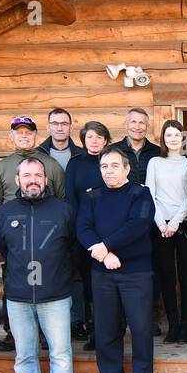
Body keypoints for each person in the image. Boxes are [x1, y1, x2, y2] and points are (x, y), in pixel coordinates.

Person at [0, 157, 75, 373]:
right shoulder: (6, 212)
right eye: (27, 176)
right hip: (18, 296)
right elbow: (3, 246)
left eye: (38, 175)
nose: (33, 181)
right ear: (17, 180)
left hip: (55, 294)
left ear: (46, 180)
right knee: (25, 354)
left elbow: (73, 250)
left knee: (60, 354)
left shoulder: (63, 210)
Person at [78, 149, 156, 373]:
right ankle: (111, 372)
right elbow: (83, 227)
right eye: (104, 166)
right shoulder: (92, 196)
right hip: (102, 271)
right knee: (106, 325)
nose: (108, 171)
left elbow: (138, 224)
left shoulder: (140, 193)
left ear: (126, 169)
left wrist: (106, 246)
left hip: (136, 271)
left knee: (140, 324)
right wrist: (104, 255)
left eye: (114, 166)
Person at [146, 119, 187, 344]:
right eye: (169, 135)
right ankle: (173, 325)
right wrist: (161, 224)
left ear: (183, 138)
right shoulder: (155, 162)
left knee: (186, 276)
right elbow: (150, 194)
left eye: (177, 135)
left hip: (183, 224)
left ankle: (185, 325)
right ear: (163, 139)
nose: (173, 139)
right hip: (160, 225)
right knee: (167, 276)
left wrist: (175, 222)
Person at [65, 121, 111, 349]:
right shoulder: (75, 164)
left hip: (108, 233)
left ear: (106, 140)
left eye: (99, 137)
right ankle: (91, 330)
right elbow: (70, 199)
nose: (94, 141)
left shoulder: (111, 162)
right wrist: (79, 230)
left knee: (106, 283)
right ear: (83, 140)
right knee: (86, 284)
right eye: (90, 137)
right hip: (82, 234)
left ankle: (109, 331)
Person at [0, 117, 65, 221]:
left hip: (46, 225)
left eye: (29, 132)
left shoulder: (52, 165)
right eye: (19, 132)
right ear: (11, 135)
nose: (24, 135)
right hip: (12, 226)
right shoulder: (1, 167)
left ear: (36, 135)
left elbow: (62, 202)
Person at [111, 107, 162, 187]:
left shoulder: (158, 152)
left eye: (141, 123)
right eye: (133, 122)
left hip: (148, 195)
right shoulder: (113, 151)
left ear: (147, 126)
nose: (137, 127)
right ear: (126, 125)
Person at [38, 107, 79, 173]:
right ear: (48, 128)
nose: (59, 128)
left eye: (64, 124)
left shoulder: (81, 154)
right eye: (55, 124)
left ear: (71, 128)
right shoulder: (38, 154)